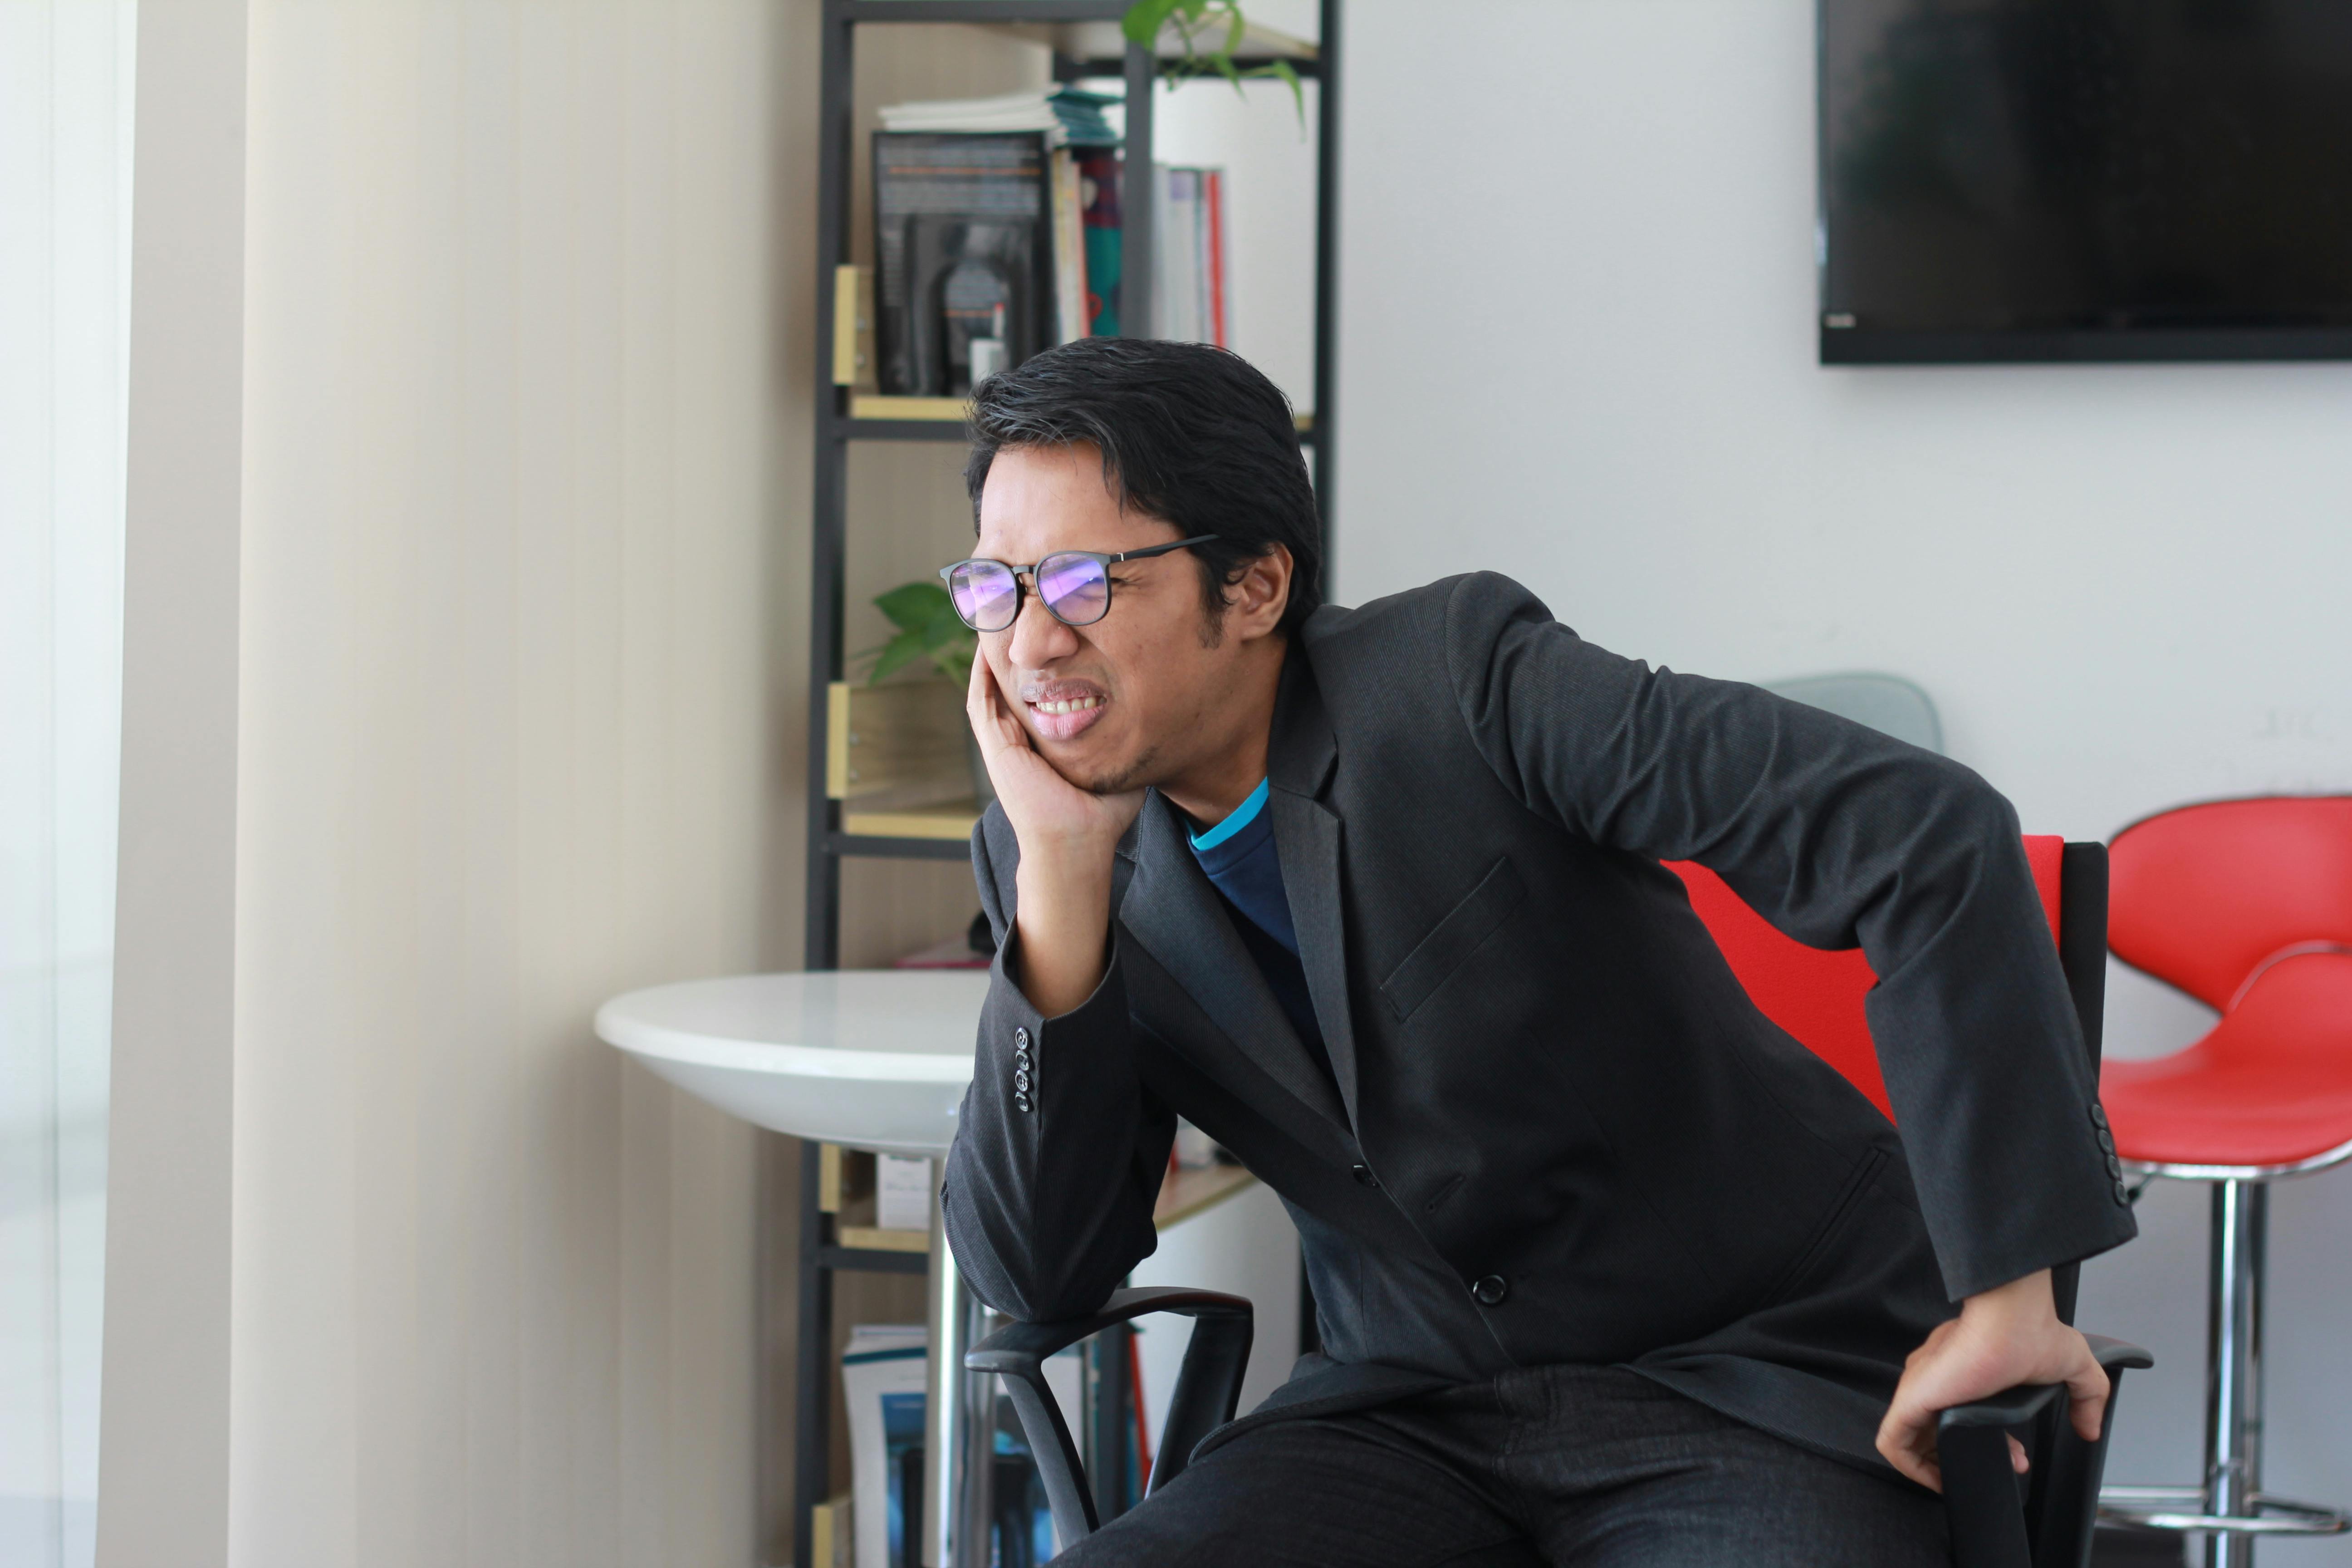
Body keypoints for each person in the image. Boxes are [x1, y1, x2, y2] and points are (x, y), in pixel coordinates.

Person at [940, 337, 2135, 1566]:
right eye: (994, 588)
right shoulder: (1053, 852)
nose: (1029, 645)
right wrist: (1065, 888)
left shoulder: (1455, 682)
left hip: (1754, 1381)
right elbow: (1040, 1280)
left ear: (1251, 588)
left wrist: (2007, 1299)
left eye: (1083, 581)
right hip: (1409, 1416)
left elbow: (1918, 833)